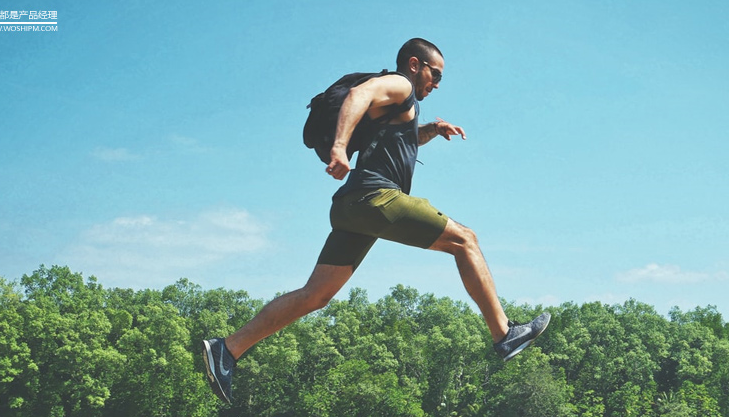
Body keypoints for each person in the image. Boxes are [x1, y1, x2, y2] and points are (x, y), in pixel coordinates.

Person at [201, 38, 550, 405]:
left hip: (351, 207)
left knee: (315, 295)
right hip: (375, 198)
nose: (437, 84)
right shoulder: (399, 84)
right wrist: (338, 147)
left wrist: (430, 130)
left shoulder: (398, 108)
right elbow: (358, 95)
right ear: (415, 65)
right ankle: (504, 333)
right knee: (465, 239)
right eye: (436, 75)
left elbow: (399, 141)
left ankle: (227, 349)